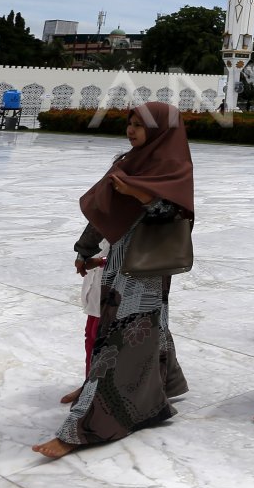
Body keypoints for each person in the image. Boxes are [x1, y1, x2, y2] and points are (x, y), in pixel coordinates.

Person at [33, 102, 193, 459]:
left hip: (149, 266)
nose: (132, 131)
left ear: (160, 131)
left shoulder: (172, 167)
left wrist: (139, 194)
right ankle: (158, 388)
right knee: (140, 326)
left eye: (139, 125)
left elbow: (174, 214)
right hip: (119, 260)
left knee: (122, 334)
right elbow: (104, 210)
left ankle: (84, 424)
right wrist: (84, 249)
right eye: (130, 123)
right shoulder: (127, 162)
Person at [59, 238, 109, 406]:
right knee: (91, 338)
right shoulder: (104, 214)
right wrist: (82, 255)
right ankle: (89, 385)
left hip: (117, 289)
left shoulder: (134, 214)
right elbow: (91, 235)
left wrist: (101, 262)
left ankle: (101, 391)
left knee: (106, 343)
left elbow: (137, 256)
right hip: (97, 289)